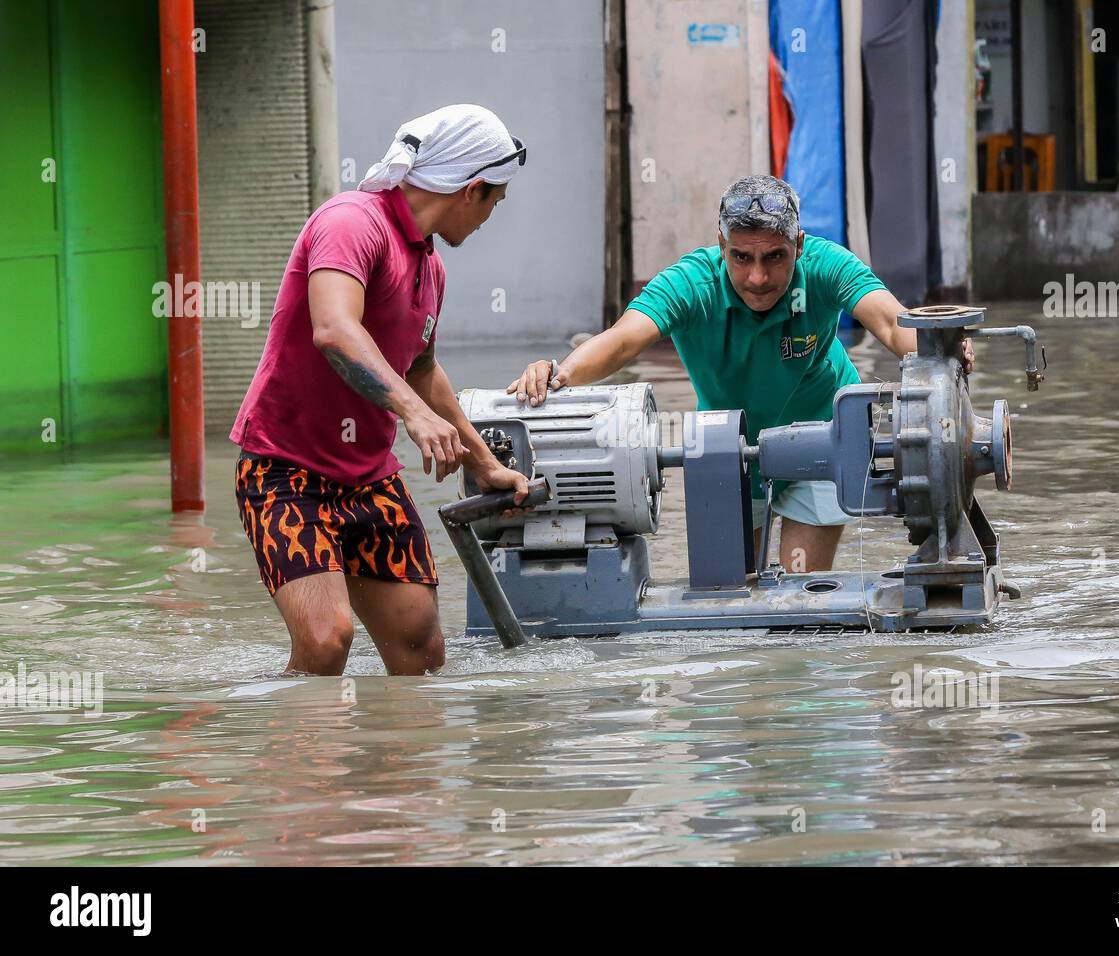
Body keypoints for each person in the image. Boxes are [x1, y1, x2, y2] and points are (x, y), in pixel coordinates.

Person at [508, 174, 973, 573]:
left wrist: (938, 351)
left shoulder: (827, 266)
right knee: (729, 592)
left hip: (824, 438)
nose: (757, 278)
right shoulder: (690, 284)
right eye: (741, 258)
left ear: (800, 246)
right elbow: (624, 339)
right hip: (726, 445)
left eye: (775, 257)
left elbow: (893, 324)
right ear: (721, 247)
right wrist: (559, 374)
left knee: (800, 596)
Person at [231, 104, 530, 676]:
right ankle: (297, 762)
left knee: (421, 649)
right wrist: (414, 417)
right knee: (326, 642)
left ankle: (395, 768)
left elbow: (421, 369)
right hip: (283, 471)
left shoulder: (429, 266)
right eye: (496, 198)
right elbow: (334, 330)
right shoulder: (352, 223)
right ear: (471, 189)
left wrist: (483, 462)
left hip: (367, 475)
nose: (496, 211)